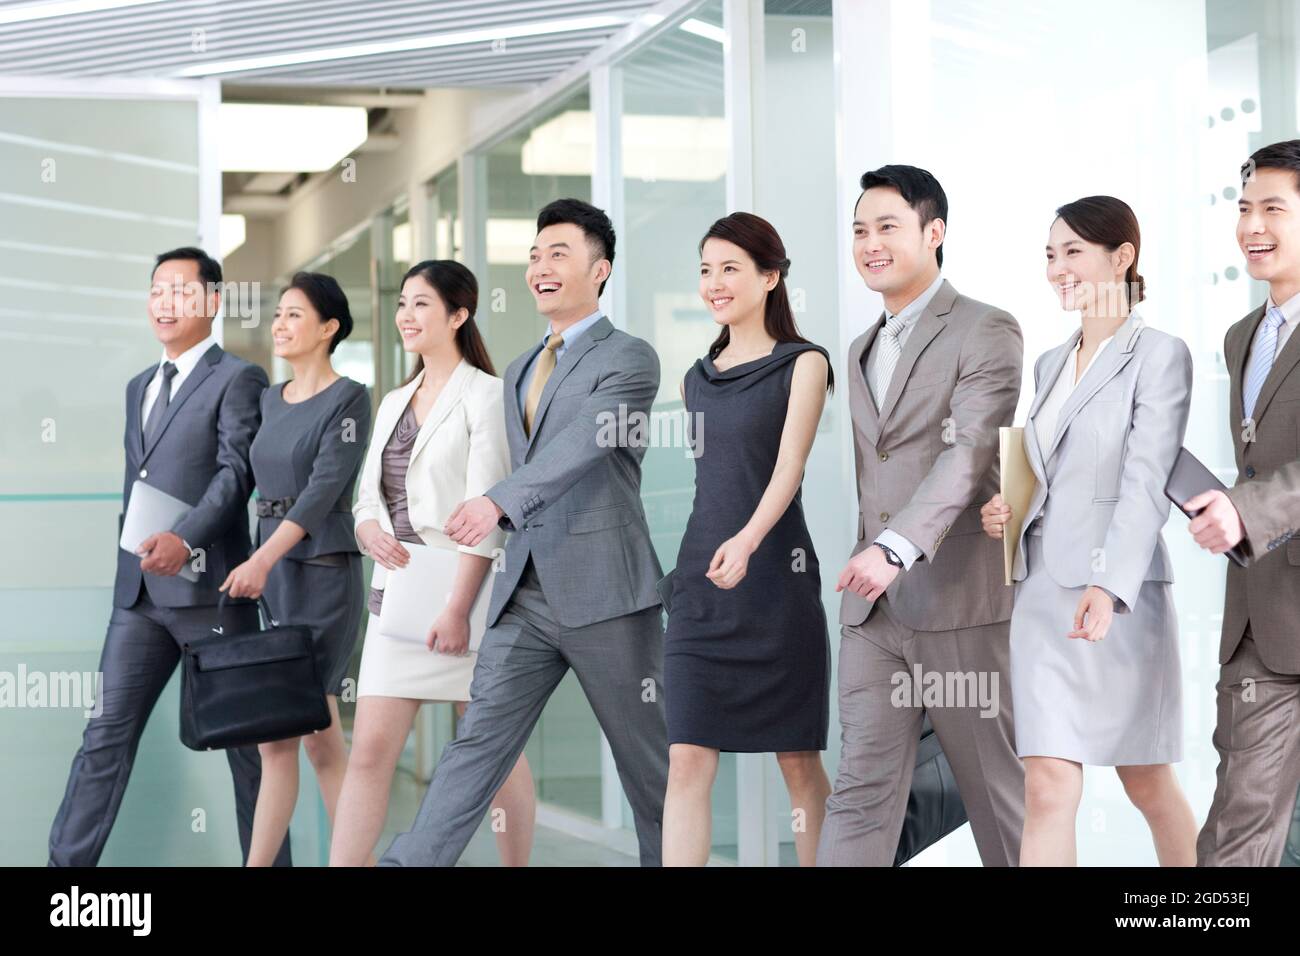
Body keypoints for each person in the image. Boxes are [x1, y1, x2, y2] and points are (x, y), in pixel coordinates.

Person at [375, 199, 669, 867]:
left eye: (558, 254)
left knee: (648, 766)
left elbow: (586, 442)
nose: (540, 267)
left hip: (607, 594)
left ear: (600, 270)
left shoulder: (630, 357)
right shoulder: (518, 369)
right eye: (534, 256)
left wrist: (497, 503)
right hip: (526, 592)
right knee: (475, 746)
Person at [48, 247, 288, 866]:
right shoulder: (139, 386)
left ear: (213, 301)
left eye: (181, 291)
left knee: (248, 750)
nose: (165, 302)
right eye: (157, 290)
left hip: (212, 595)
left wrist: (186, 538)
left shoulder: (239, 378)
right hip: (139, 597)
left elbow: (236, 474)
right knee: (103, 738)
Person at [817, 165, 1026, 867]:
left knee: (996, 796)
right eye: (860, 230)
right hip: (872, 612)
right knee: (859, 793)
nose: (870, 244)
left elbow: (970, 454)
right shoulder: (859, 349)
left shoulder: (986, 328)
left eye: (887, 227)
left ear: (934, 232)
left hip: (957, 601)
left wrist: (895, 546)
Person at [982, 196, 1198, 866]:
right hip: (1042, 594)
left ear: (1122, 257)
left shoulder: (1160, 355)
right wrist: (1007, 508)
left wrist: (1108, 586)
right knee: (1047, 784)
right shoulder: (1049, 362)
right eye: (1050, 254)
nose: (1057, 268)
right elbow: (1049, 471)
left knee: (1146, 779)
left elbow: (1146, 479)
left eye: (1072, 251)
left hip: (1117, 593)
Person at [330, 260, 535, 867]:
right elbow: (367, 498)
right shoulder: (394, 399)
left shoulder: (486, 394)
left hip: (463, 600)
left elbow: (486, 509)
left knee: (494, 754)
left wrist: (456, 609)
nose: (406, 315)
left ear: (458, 314)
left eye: (421, 304)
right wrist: (368, 530)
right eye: (402, 303)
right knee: (369, 753)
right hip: (396, 600)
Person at [661, 212, 832, 866]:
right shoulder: (694, 378)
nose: (714, 282)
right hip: (701, 591)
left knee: (798, 761)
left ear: (770, 276)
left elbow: (789, 468)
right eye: (706, 270)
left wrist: (748, 540)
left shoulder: (804, 363)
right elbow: (711, 482)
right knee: (686, 759)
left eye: (730, 268)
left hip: (776, 587)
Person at [219, 272, 371, 866]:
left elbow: (320, 492)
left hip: (322, 575)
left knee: (299, 734)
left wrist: (261, 558)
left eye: (294, 315)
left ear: (329, 328)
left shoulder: (350, 398)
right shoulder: (268, 398)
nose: (279, 325)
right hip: (275, 579)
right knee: (296, 740)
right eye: (278, 314)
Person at [1181, 139, 1300, 866]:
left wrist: (1248, 511)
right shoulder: (1241, 337)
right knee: (1238, 831)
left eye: (1273, 209)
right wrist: (1225, 505)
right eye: (1244, 207)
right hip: (1264, 617)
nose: (1252, 225)